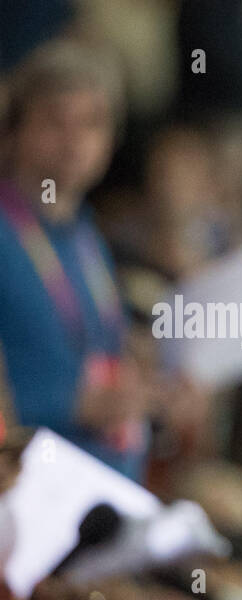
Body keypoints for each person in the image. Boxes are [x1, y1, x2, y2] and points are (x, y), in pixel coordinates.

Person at [0, 39, 146, 480]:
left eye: (91, 124)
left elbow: (99, 350)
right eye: (55, 122)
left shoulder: (85, 233)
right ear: (14, 131)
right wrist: (70, 404)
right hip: (27, 488)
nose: (73, 141)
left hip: (105, 478)